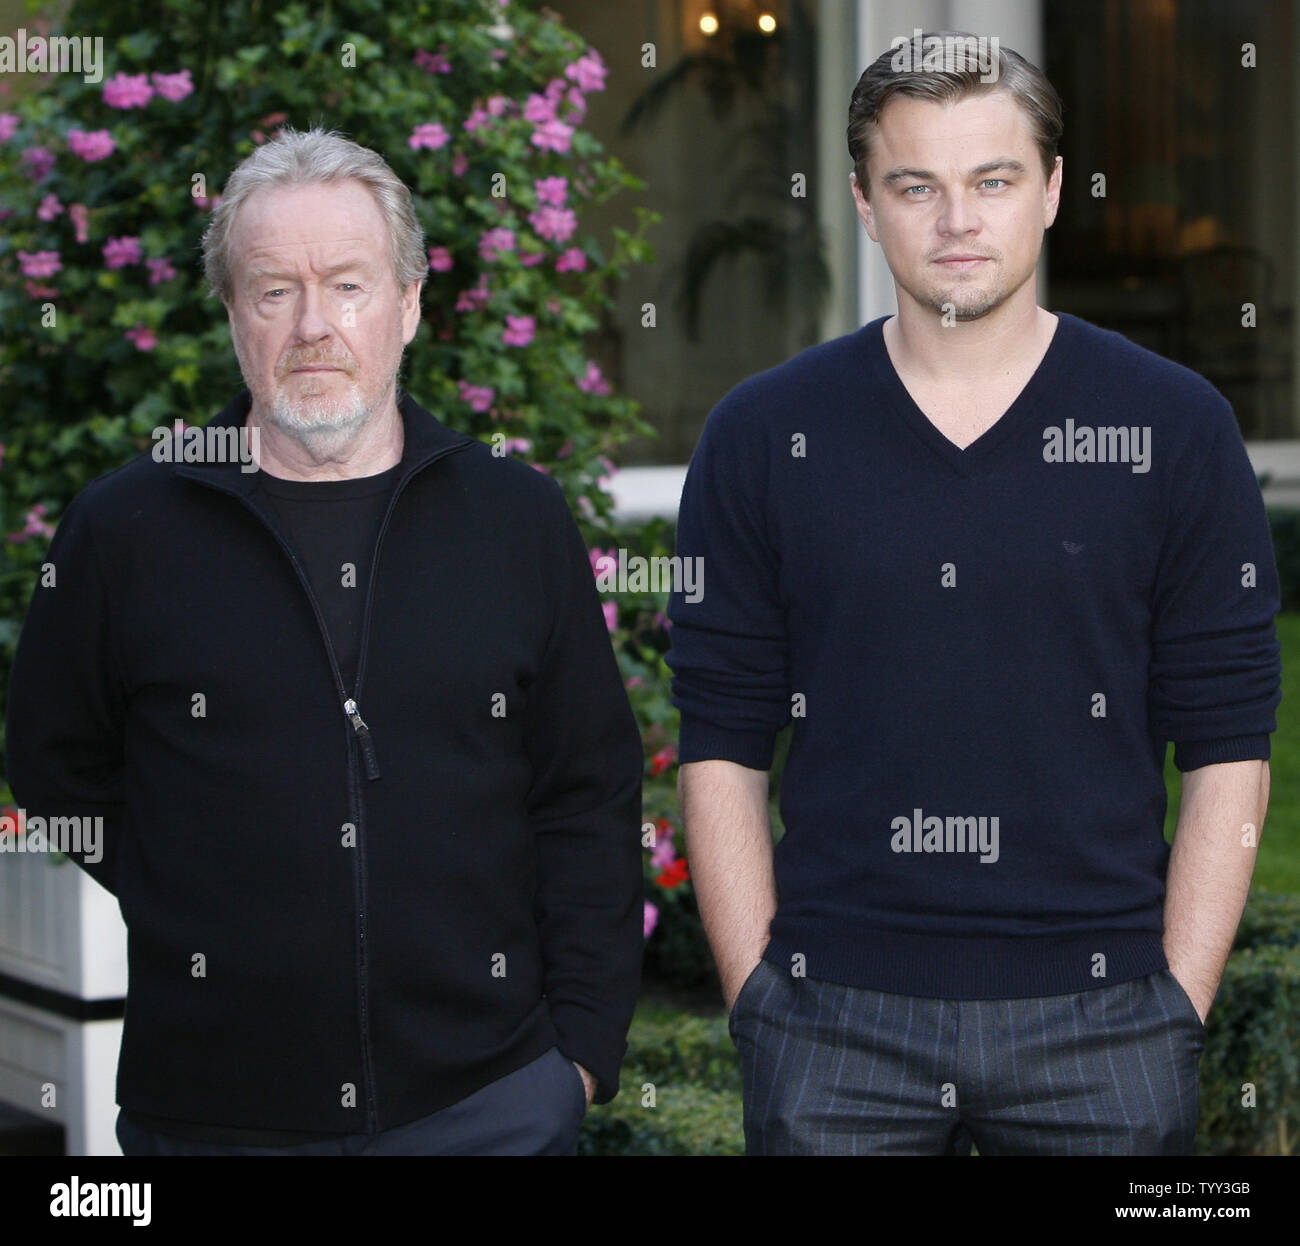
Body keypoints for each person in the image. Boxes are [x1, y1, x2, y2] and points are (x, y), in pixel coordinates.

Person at [666, 33, 1279, 1156]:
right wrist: (761, 998)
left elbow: (1229, 744)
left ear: (1049, 189)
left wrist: (1172, 1008)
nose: (957, 220)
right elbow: (720, 741)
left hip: (1102, 1022)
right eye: (916, 185)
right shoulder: (763, 436)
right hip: (833, 1022)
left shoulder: (1172, 427)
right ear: (862, 200)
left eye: (991, 180)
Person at [7, 127, 644, 1155]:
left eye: (346, 285)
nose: (313, 325)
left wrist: (573, 1058)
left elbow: (588, 790)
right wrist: (199, 897)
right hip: (212, 1117)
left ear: (408, 304)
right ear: (232, 318)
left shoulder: (514, 519)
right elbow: (54, 764)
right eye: (273, 291)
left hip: (489, 1108)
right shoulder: (125, 528)